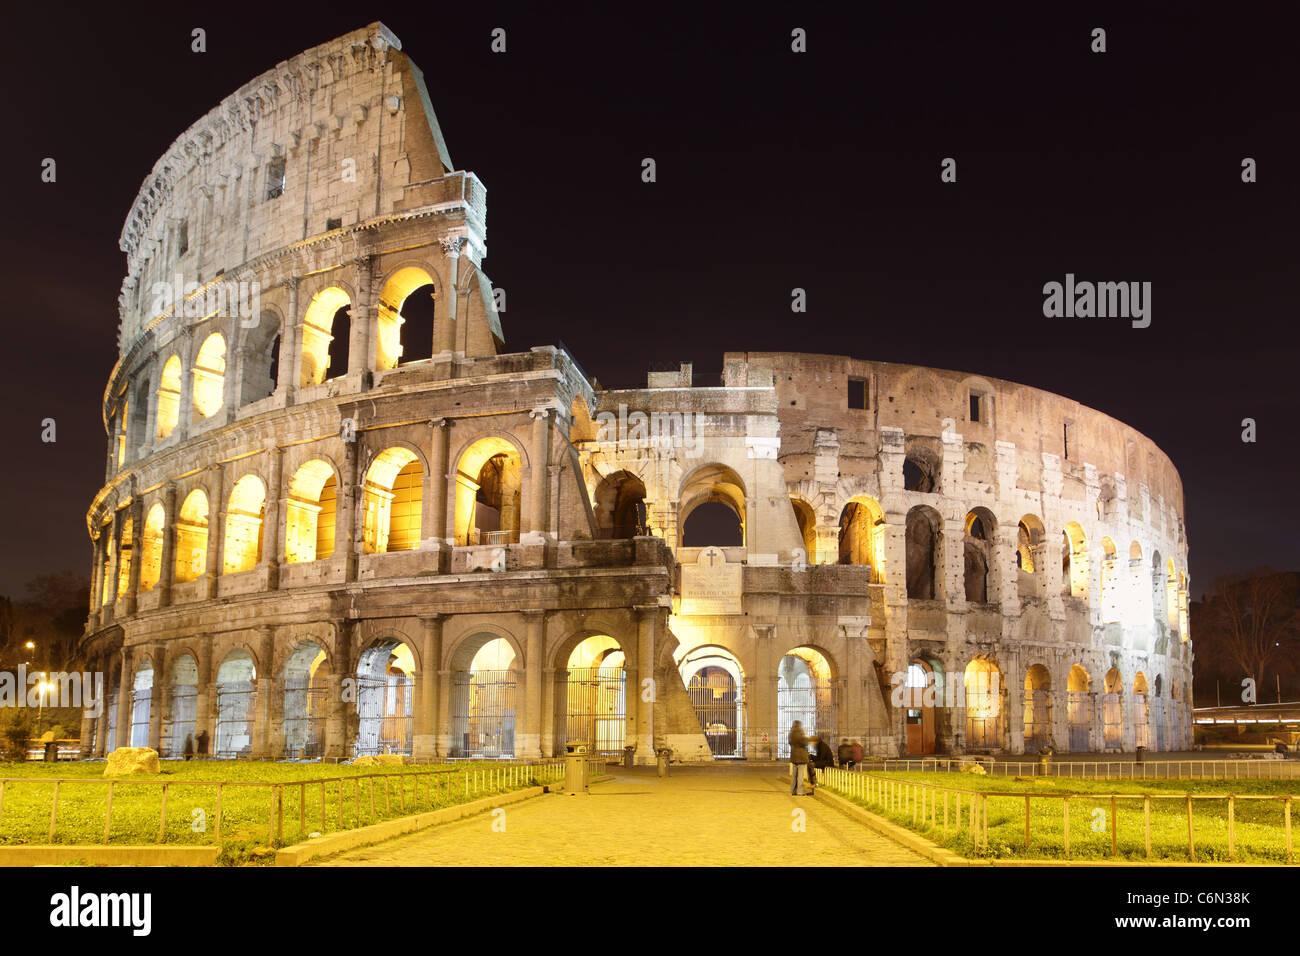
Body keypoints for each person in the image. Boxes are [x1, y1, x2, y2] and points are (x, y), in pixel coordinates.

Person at [788, 720, 811, 795]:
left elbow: (790, 743)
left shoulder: (791, 733)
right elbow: (805, 743)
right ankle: (800, 791)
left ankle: (792, 790)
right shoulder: (801, 733)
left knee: (794, 775)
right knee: (800, 775)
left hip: (794, 755)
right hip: (801, 756)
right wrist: (806, 736)